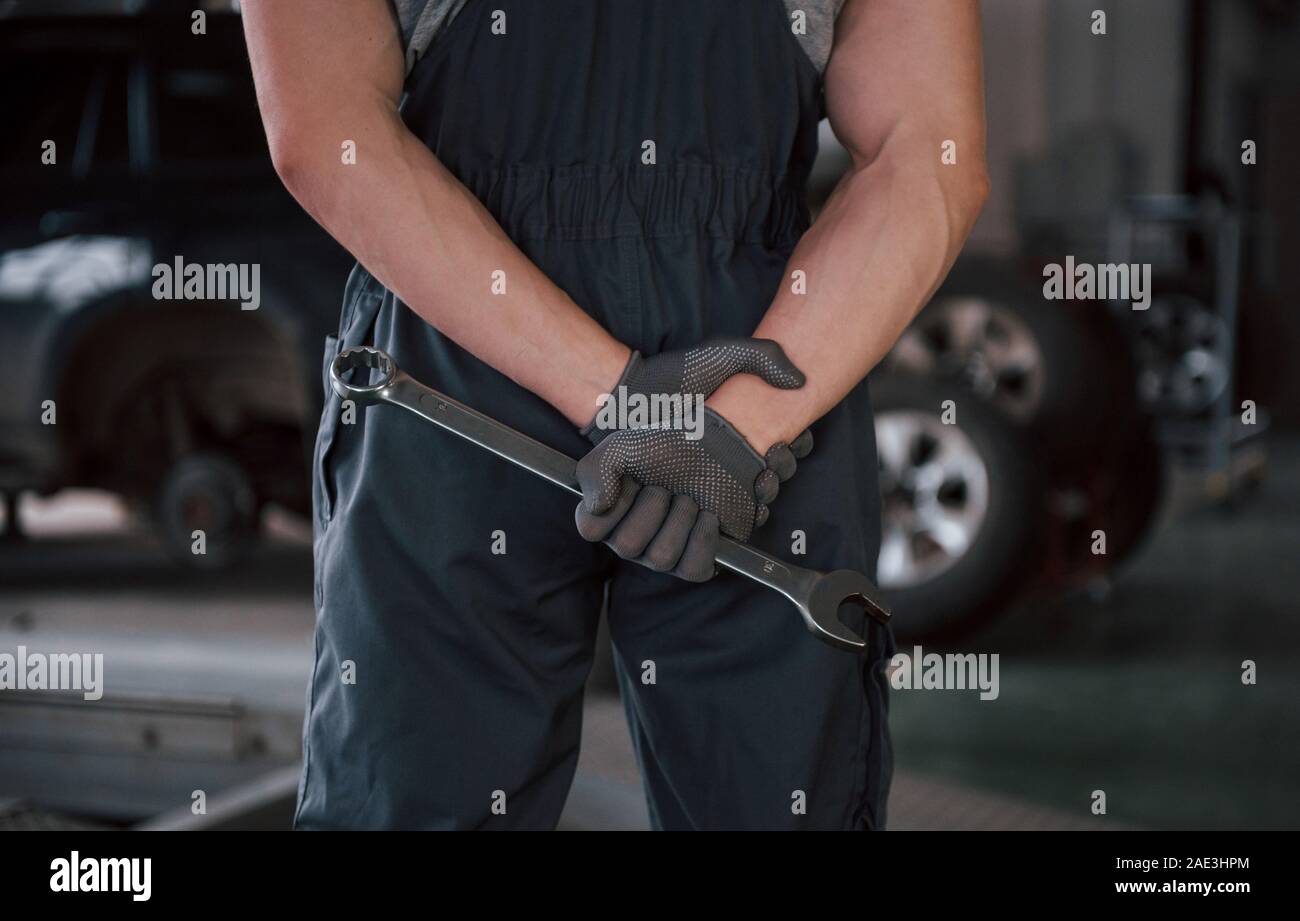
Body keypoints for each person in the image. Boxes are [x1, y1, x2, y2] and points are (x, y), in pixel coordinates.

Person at [243, 0, 987, 830]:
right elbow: (325, 126)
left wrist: (733, 427)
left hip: (764, 384)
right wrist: (664, 411)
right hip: (469, 367)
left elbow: (925, 153)